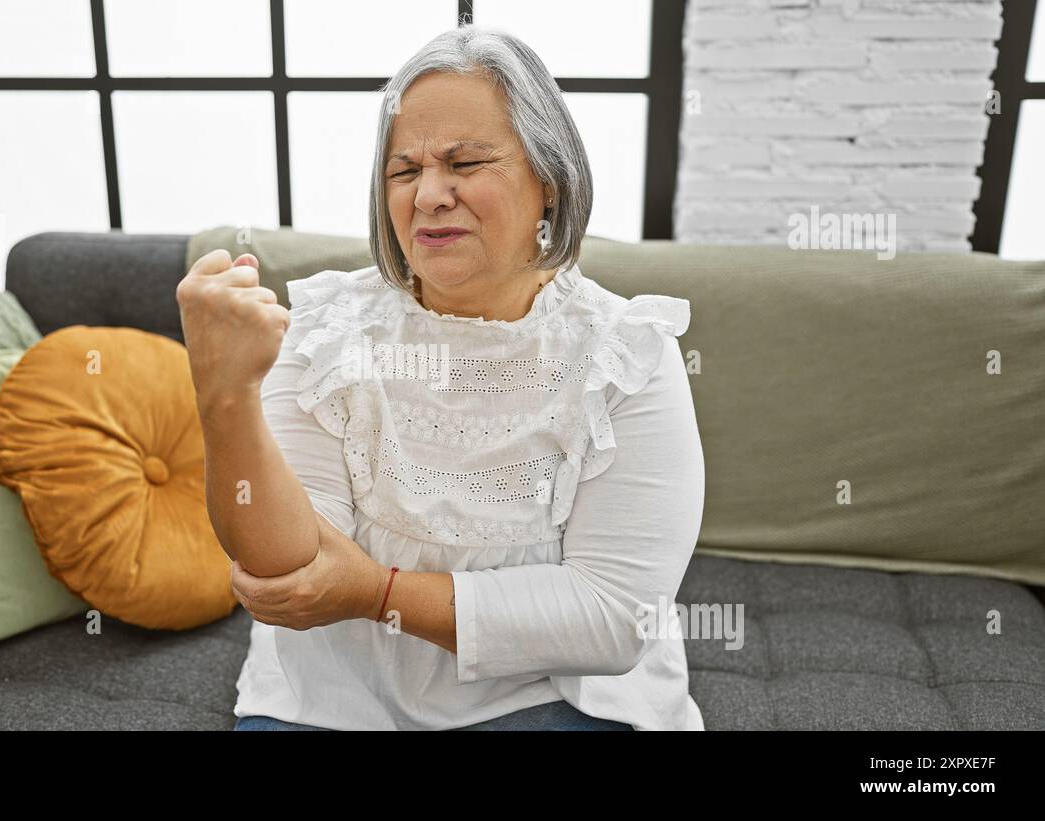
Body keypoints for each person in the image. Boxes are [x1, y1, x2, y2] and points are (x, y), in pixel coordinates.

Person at [176, 25, 705, 731]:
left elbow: (612, 616)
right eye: (404, 170)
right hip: (337, 701)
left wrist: (377, 590)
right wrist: (225, 393)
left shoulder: (625, 355)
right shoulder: (328, 331)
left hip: (557, 698)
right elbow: (283, 569)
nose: (429, 194)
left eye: (465, 162)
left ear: (548, 180)